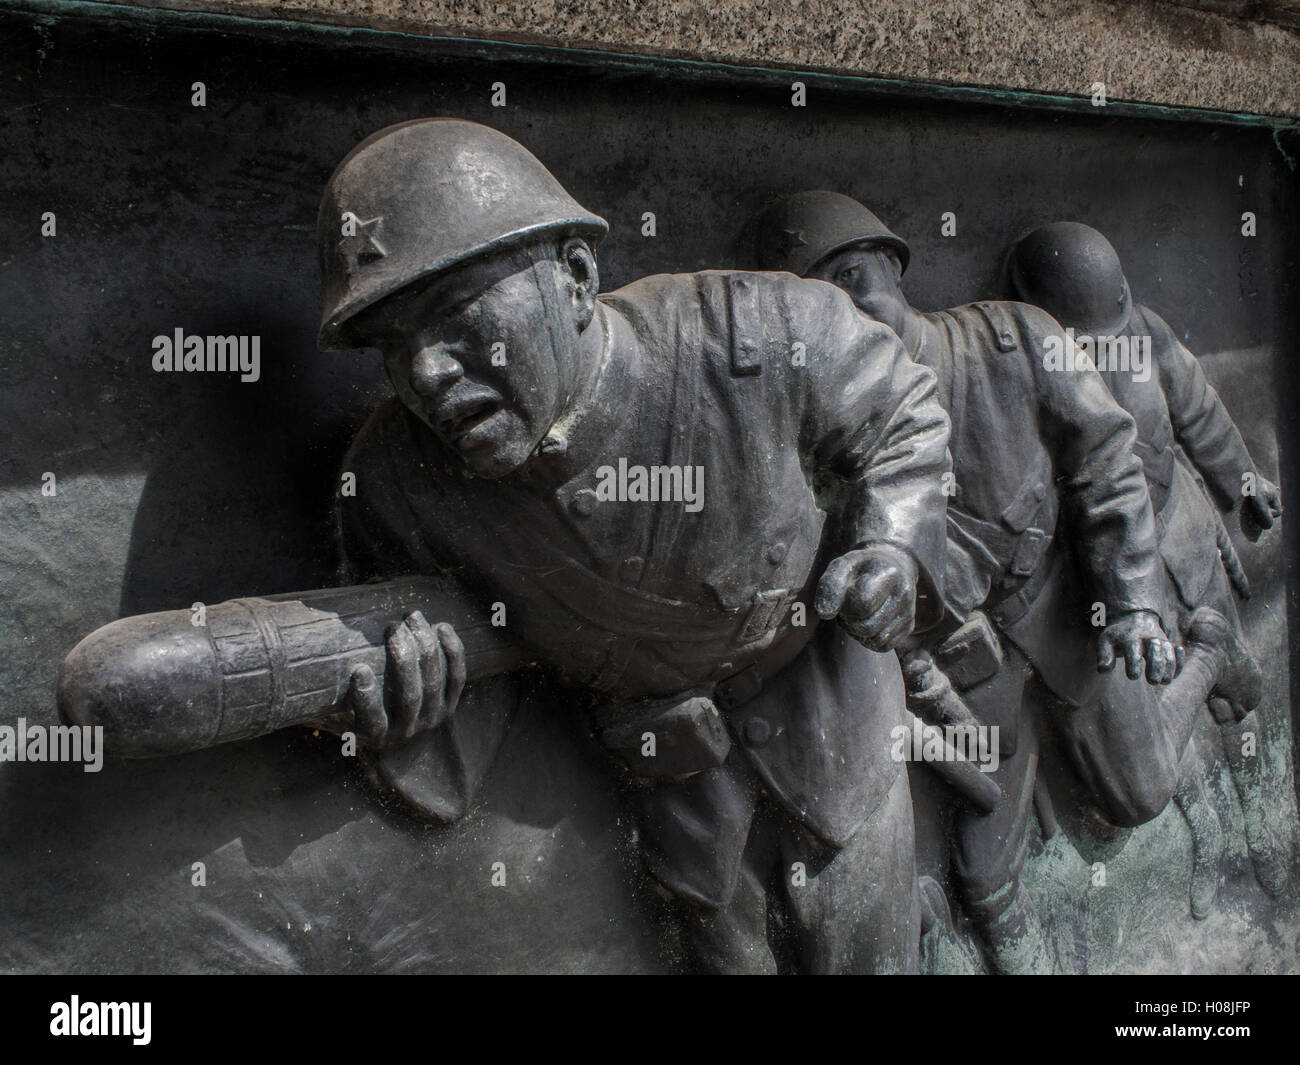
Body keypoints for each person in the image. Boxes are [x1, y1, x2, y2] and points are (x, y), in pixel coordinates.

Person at [317, 119, 956, 973]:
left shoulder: (755, 332)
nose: (426, 374)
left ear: (576, 276)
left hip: (829, 711)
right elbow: (437, 667)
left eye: (454, 315)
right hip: (672, 770)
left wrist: (894, 549)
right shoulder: (394, 483)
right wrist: (411, 709)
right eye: (393, 347)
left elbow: (903, 414)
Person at [751, 190, 1228, 974]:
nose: (849, 304)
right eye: (818, 296)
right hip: (969, 674)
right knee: (980, 871)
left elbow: (1109, 465)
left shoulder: (1016, 339)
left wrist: (1135, 603)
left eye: (857, 274)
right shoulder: (820, 442)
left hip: (1072, 612)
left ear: (897, 268)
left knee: (1139, 793)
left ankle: (1202, 645)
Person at [1007, 221, 1285, 903]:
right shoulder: (1022, 372)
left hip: (1183, 532)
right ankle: (1210, 837)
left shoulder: (1149, 332)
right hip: (1114, 571)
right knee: (1168, 709)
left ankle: (1267, 824)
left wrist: (1246, 481)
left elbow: (1198, 411)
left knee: (1235, 686)